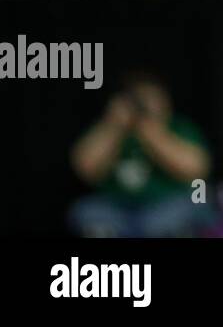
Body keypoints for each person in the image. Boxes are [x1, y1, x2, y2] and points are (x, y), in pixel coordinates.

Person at [67, 71, 215, 237]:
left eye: (151, 99)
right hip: (119, 209)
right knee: (85, 210)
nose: (142, 107)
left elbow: (196, 171)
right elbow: (84, 168)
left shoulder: (179, 128)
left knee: (192, 205)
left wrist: (150, 132)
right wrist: (113, 126)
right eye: (136, 101)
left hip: (168, 205)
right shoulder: (110, 130)